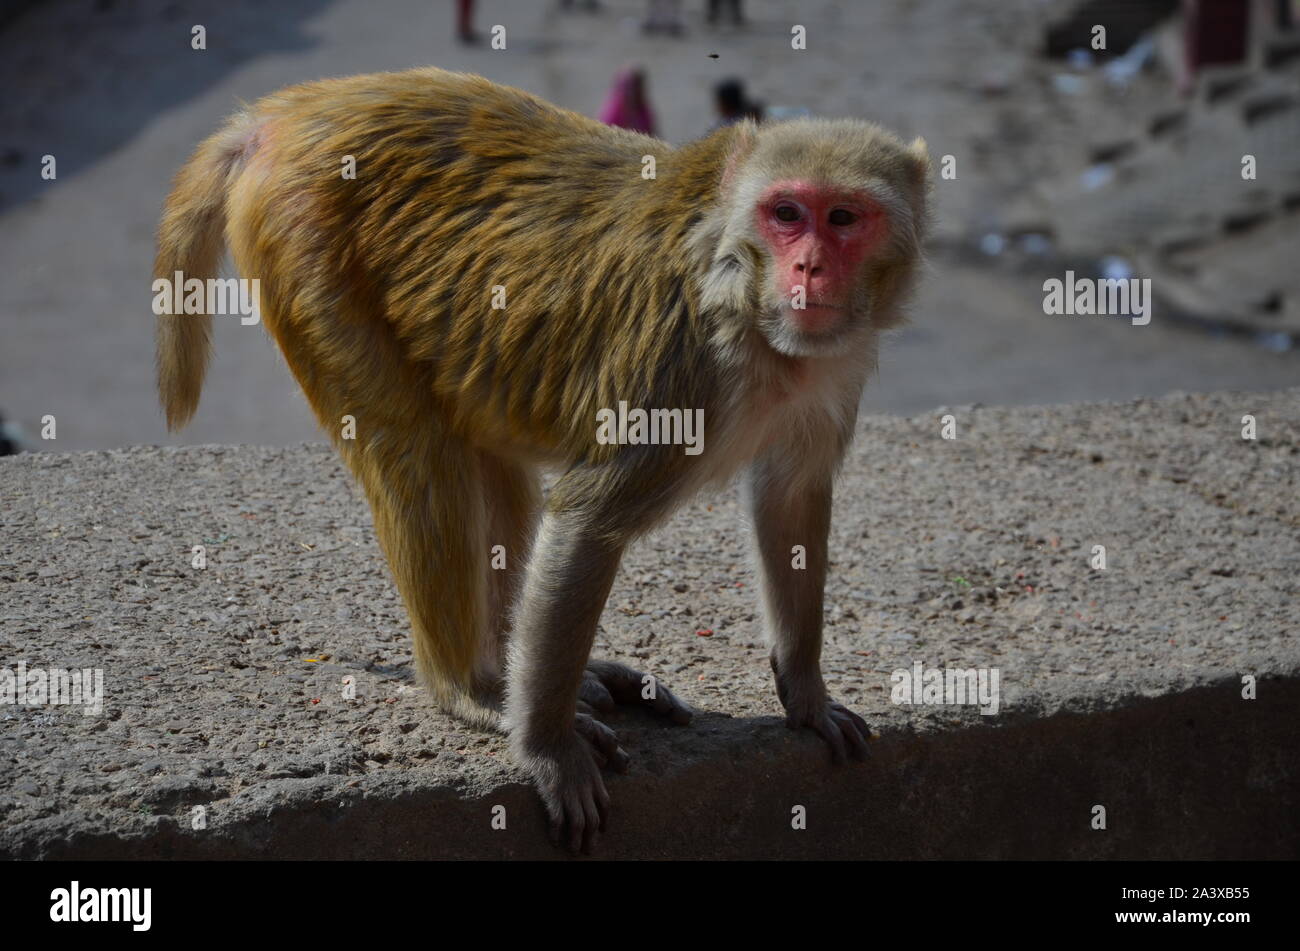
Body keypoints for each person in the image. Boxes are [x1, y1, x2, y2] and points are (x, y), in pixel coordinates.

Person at [598, 67, 658, 136]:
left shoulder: (644, 111)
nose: (634, 92)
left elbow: (653, 134)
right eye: (633, 87)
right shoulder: (612, 113)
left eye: (639, 87)